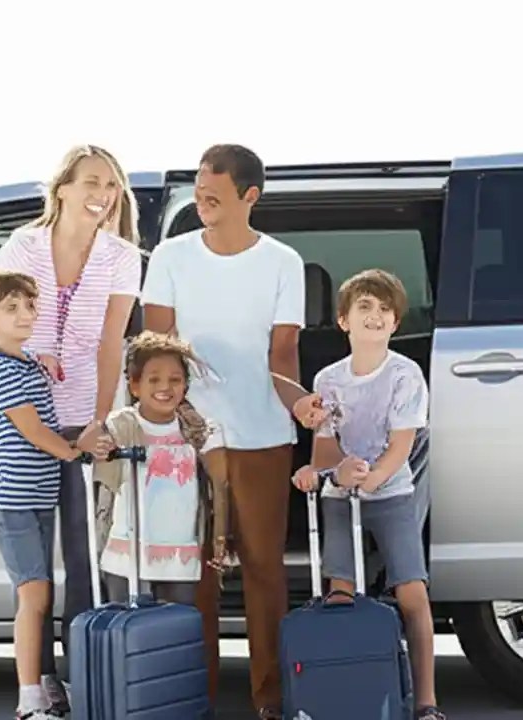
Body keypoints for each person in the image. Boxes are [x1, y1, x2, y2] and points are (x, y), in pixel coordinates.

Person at [140, 144, 322, 718]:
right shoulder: (170, 257)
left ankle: (270, 698)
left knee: (265, 567)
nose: (202, 202)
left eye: (214, 194)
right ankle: (197, 696)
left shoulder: (282, 262)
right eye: (198, 192)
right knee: (194, 573)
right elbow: (157, 350)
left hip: (263, 435)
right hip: (187, 441)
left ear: (250, 197)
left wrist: (300, 408)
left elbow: (284, 352)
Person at [0, 144, 144, 706]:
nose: (102, 194)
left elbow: (111, 343)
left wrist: (99, 421)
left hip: (85, 419)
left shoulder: (122, 256)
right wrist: (30, 365)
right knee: (36, 572)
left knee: (85, 556)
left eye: (111, 185)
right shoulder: (23, 247)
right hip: (32, 422)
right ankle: (40, 681)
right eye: (91, 182)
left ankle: (84, 678)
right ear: (62, 189)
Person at [0, 269, 112, 720]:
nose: (25, 314)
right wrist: (77, 449)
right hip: (12, 500)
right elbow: (34, 431)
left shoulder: (24, 363)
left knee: (39, 590)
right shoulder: (1, 371)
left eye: (29, 305)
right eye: (11, 308)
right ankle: (28, 699)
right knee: (35, 594)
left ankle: (44, 685)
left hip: (35, 496)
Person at [292, 268, 445, 720]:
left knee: (411, 590)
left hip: (390, 491)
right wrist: (329, 472)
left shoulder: (405, 375)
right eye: (364, 308)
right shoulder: (328, 380)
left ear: (395, 323)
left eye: (384, 310)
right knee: (342, 591)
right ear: (344, 320)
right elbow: (324, 445)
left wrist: (371, 478)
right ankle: (348, 695)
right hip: (342, 495)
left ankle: (426, 701)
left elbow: (402, 445)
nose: (374, 317)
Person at [91, 331, 234, 604]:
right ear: (134, 386)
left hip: (180, 555)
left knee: (174, 631)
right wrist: (102, 448)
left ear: (186, 386)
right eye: (153, 379)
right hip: (126, 554)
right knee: (130, 629)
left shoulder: (201, 430)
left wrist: (218, 541)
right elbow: (103, 475)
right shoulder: (121, 425)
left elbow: (219, 487)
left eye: (175, 380)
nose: (165, 387)